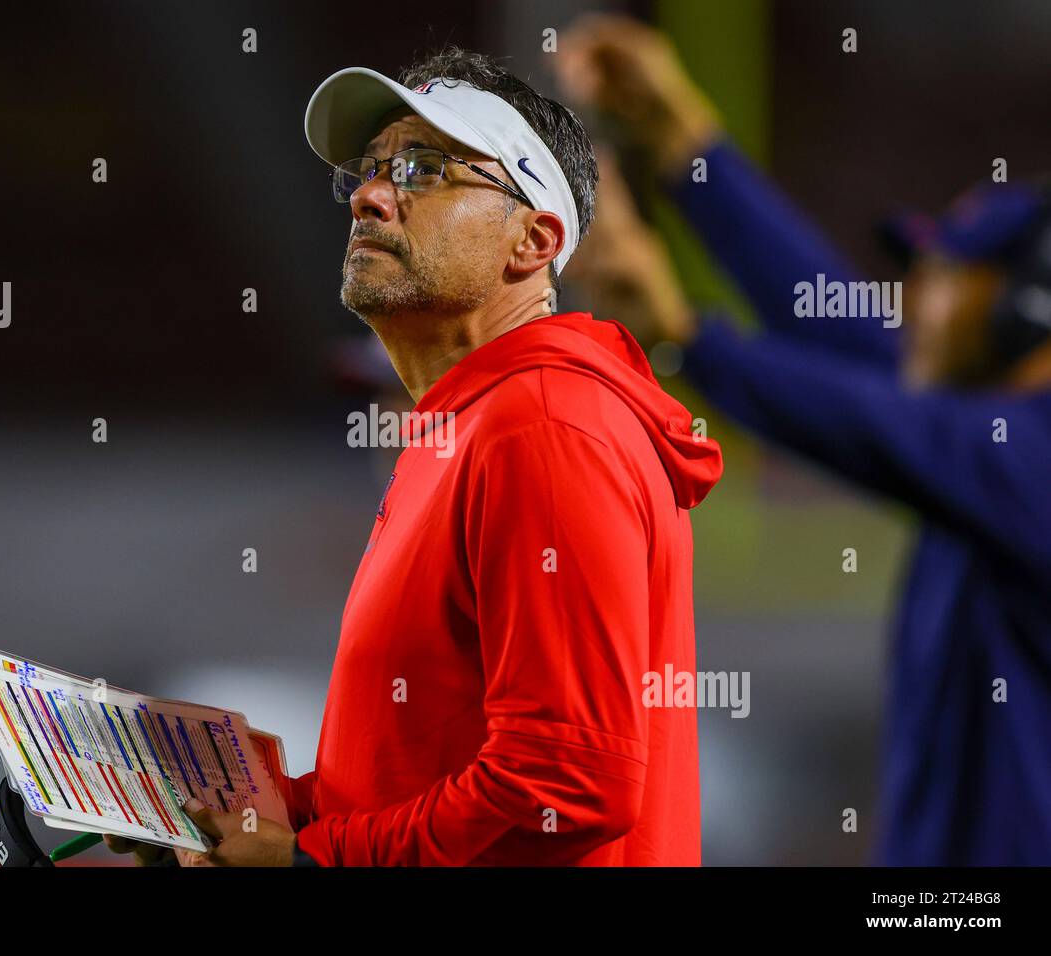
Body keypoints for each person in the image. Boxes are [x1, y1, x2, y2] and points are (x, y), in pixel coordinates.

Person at [110, 47, 723, 866]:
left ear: (532, 240)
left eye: (423, 169)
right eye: (365, 173)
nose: (367, 194)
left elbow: (565, 783)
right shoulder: (475, 425)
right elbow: (424, 779)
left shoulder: (544, 426)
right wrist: (248, 810)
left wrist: (307, 861)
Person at [555, 14, 1051, 865]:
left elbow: (861, 417)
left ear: (1025, 310)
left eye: (946, 272)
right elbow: (837, 332)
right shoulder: (979, 438)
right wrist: (686, 146)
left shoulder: (1022, 457)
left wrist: (683, 334)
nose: (914, 292)